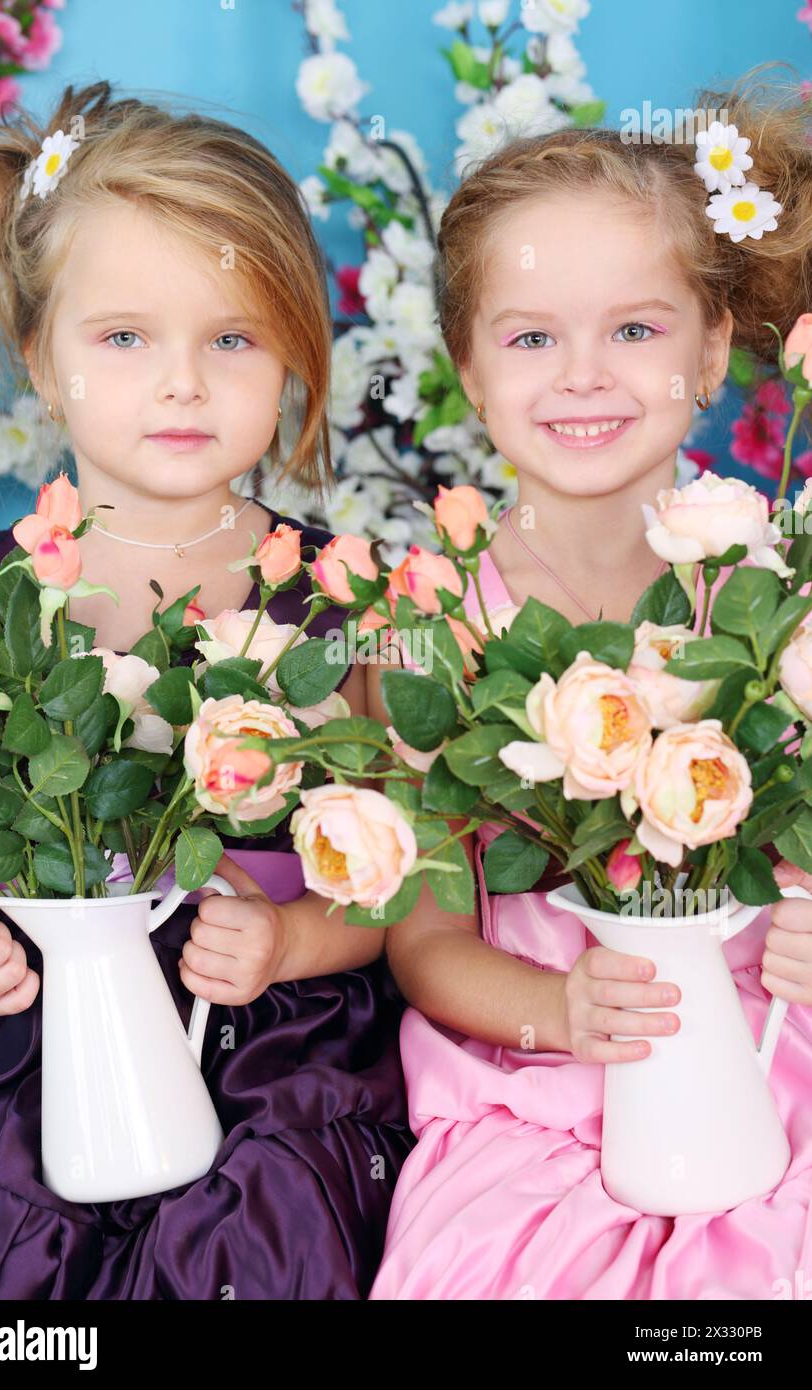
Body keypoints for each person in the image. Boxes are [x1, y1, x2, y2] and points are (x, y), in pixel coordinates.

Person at [0, 80, 415, 1300]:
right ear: (43, 364)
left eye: (233, 337)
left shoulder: (346, 603)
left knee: (259, 1250)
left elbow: (397, 886)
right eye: (124, 337)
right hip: (26, 1052)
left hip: (261, 1049)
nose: (183, 382)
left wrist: (290, 938)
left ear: (296, 352)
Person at [369, 69, 812, 1300]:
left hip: (769, 1042)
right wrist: (556, 1011)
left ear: (713, 348)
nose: (581, 375)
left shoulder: (772, 590)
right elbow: (423, 936)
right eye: (528, 336)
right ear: (465, 364)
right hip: (540, 1081)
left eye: (633, 328)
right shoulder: (429, 620)